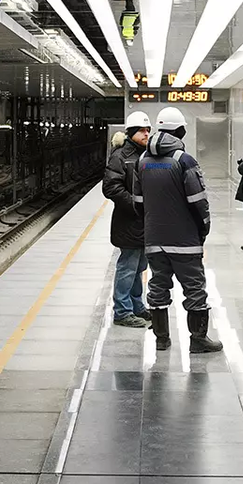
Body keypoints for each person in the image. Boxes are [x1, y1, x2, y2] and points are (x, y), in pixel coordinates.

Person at [132, 106, 223, 353]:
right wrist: (203, 229)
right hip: (184, 240)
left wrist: (151, 225)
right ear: (180, 130)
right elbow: (198, 200)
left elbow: (137, 202)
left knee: (158, 286)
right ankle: (198, 340)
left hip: (154, 239)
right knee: (194, 287)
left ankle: (162, 339)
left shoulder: (142, 161)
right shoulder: (184, 160)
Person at [102, 112, 153, 329]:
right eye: (142, 130)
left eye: (148, 130)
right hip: (129, 220)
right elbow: (111, 187)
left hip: (144, 222)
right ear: (131, 133)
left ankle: (136, 305)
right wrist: (135, 205)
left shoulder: (148, 154)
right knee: (128, 265)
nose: (147, 134)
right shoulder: (120, 156)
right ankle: (122, 311)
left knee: (140, 265)